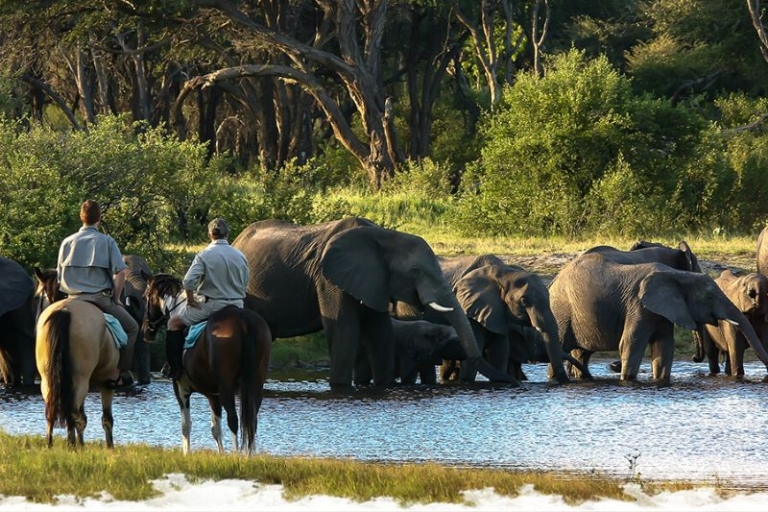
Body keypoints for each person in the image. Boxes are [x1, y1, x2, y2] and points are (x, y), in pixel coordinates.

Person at [57, 199, 139, 389]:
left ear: (81, 217)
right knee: (133, 328)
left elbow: (60, 276)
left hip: (71, 299)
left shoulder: (66, 242)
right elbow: (121, 272)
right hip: (98, 298)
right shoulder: (107, 241)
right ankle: (120, 373)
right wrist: (117, 298)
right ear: (99, 218)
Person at [164, 217, 249, 380]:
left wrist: (190, 299)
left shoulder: (205, 254)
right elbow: (245, 282)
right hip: (237, 306)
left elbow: (188, 282)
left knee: (173, 323)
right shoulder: (240, 255)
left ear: (210, 234)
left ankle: (176, 370)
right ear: (227, 234)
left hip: (212, 306)